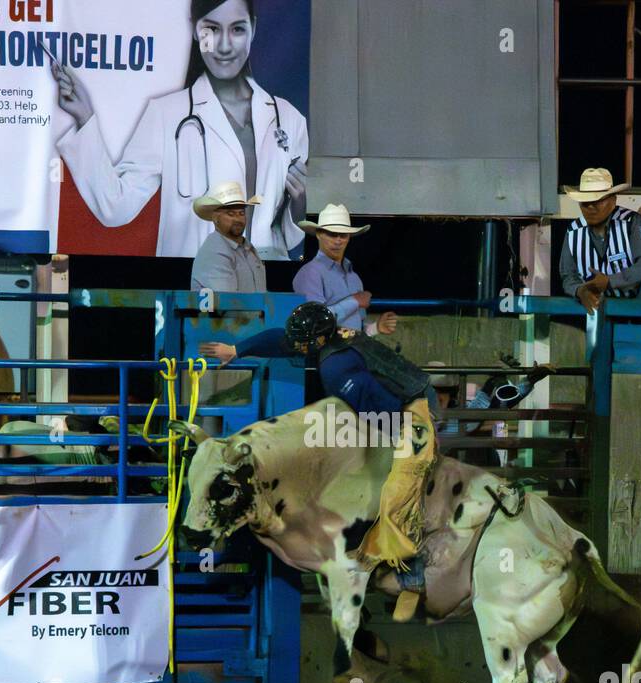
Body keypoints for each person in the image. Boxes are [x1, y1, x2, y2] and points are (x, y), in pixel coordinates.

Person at [199, 302, 435, 622]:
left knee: (398, 484)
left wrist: (396, 442)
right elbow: (278, 339)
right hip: (382, 400)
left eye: (300, 343)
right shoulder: (327, 341)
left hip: (408, 406)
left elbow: (375, 409)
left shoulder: (337, 368)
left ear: (317, 342)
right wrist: (236, 349)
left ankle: (412, 574)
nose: (294, 347)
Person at [53, 0, 309, 260]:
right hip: (196, 283)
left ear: (253, 28)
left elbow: (288, 235)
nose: (224, 45)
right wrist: (85, 118)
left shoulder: (288, 119)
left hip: (265, 281)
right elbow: (116, 206)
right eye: (212, 29)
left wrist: (300, 205)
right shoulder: (166, 115)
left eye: (237, 29)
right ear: (196, 31)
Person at [559, 167, 641, 312]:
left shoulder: (632, 222)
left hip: (635, 301)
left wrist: (611, 281)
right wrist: (580, 291)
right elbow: (568, 275)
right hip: (596, 305)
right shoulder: (573, 231)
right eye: (585, 202)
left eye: (598, 201)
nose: (591, 207)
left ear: (613, 201)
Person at [293, 204, 398, 336]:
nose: (338, 241)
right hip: (324, 354)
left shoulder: (354, 278)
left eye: (343, 235)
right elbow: (315, 322)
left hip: (350, 350)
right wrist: (354, 301)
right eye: (332, 234)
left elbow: (355, 329)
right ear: (319, 234)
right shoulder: (310, 273)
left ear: (349, 238)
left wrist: (376, 328)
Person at [189, 181, 266, 293]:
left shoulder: (248, 248)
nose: (238, 219)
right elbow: (229, 302)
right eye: (230, 214)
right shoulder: (214, 251)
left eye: (241, 213)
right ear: (215, 218)